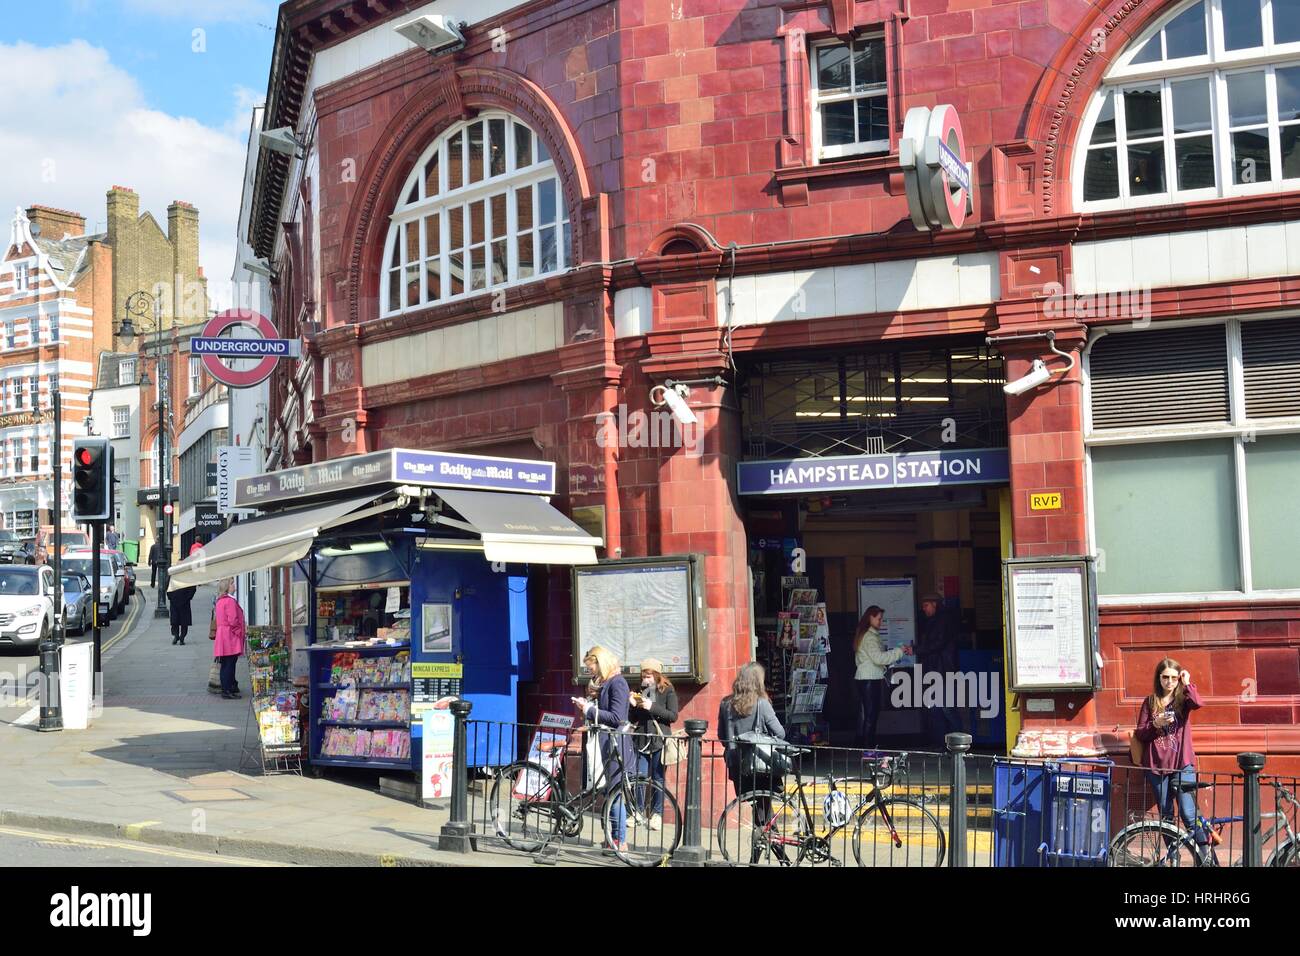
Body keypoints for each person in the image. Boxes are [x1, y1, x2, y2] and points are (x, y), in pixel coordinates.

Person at [1135, 658, 1208, 849]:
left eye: (1173, 678)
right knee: (1166, 816)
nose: (1169, 681)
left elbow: (1198, 702)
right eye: (1165, 677)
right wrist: (1155, 725)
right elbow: (1140, 732)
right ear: (1159, 678)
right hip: (1156, 765)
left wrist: (1186, 682)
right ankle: (1172, 857)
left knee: (1188, 813)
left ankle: (1207, 858)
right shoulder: (1150, 701)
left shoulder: (1183, 699)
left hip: (1181, 762)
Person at [718, 662, 786, 862]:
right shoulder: (762, 703)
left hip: (738, 765)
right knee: (764, 814)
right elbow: (780, 733)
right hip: (762, 765)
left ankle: (767, 859)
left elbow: (722, 736)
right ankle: (776, 858)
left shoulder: (725, 704)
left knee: (762, 814)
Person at [570, 646, 633, 853]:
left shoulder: (618, 683)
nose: (591, 672)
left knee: (615, 794)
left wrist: (589, 709)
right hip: (608, 742)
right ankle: (611, 839)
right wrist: (587, 709)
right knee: (609, 793)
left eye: (592, 667)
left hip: (617, 744)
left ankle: (620, 841)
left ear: (601, 663)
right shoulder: (608, 683)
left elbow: (616, 718)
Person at [629, 657, 678, 831]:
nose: (646, 679)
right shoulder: (638, 690)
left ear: (657, 676)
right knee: (639, 777)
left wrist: (652, 707)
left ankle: (657, 815)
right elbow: (632, 719)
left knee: (658, 778)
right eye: (644, 676)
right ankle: (638, 812)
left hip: (659, 740)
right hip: (641, 739)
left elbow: (672, 716)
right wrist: (633, 706)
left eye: (649, 676)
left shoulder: (667, 690)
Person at [853, 606, 911, 749]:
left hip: (866, 677)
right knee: (871, 716)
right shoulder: (870, 637)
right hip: (869, 679)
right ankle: (869, 748)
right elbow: (878, 658)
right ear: (870, 618)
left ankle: (868, 746)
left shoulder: (865, 635)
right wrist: (898, 651)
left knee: (869, 715)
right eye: (879, 619)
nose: (881, 622)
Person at [915, 593, 961, 746]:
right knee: (939, 710)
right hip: (938, 671)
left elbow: (936, 644)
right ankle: (947, 746)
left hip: (942, 672)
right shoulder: (939, 620)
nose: (923, 609)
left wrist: (916, 649)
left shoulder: (941, 621)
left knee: (945, 710)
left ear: (934, 604)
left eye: (926, 605)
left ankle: (957, 746)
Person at [212, 578, 246, 699]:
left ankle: (227, 688)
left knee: (225, 663)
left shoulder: (220, 601)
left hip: (222, 635)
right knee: (230, 664)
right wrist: (239, 632)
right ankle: (227, 690)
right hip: (230, 636)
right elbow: (233, 620)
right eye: (232, 583)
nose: (234, 585)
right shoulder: (230, 602)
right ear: (227, 586)